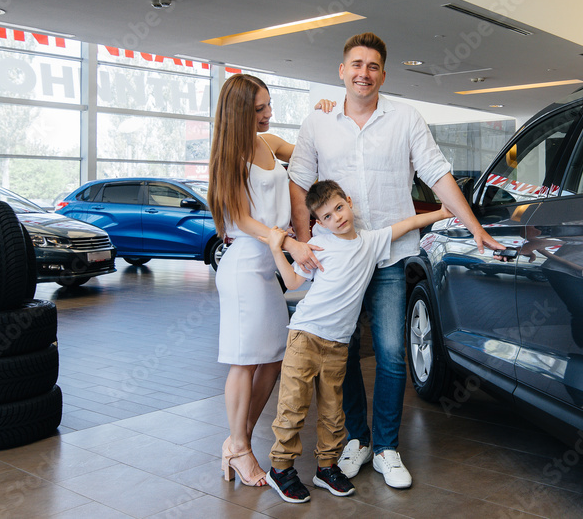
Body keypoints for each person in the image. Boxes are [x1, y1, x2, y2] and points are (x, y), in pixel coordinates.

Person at [286, 32, 504, 489]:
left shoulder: (405, 117)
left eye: (372, 66)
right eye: (356, 64)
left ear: (383, 74)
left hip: (387, 257)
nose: (364, 72)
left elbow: (437, 173)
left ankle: (386, 447)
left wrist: (475, 228)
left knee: (389, 354)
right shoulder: (318, 123)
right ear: (342, 71)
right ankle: (357, 439)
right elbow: (300, 183)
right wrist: (304, 244)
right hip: (337, 263)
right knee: (339, 353)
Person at [261, 180, 452, 503]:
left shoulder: (370, 241)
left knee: (334, 413)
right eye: (327, 216)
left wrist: (443, 211)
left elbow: (406, 224)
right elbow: (293, 281)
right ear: (318, 223)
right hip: (305, 336)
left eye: (339, 207)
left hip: (336, 344)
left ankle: (326, 467)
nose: (337, 217)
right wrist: (275, 249)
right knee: (293, 407)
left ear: (349, 202)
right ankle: (280, 469)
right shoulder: (320, 246)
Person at [207, 73, 332, 487]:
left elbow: (311, 155)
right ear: (240, 111)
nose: (268, 113)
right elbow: (241, 219)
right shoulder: (229, 156)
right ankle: (240, 448)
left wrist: (325, 119)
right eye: (259, 108)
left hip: (269, 262)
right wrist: (286, 242)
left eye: (268, 105)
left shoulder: (267, 142)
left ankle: (236, 440)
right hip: (246, 263)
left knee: (273, 356)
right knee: (244, 359)